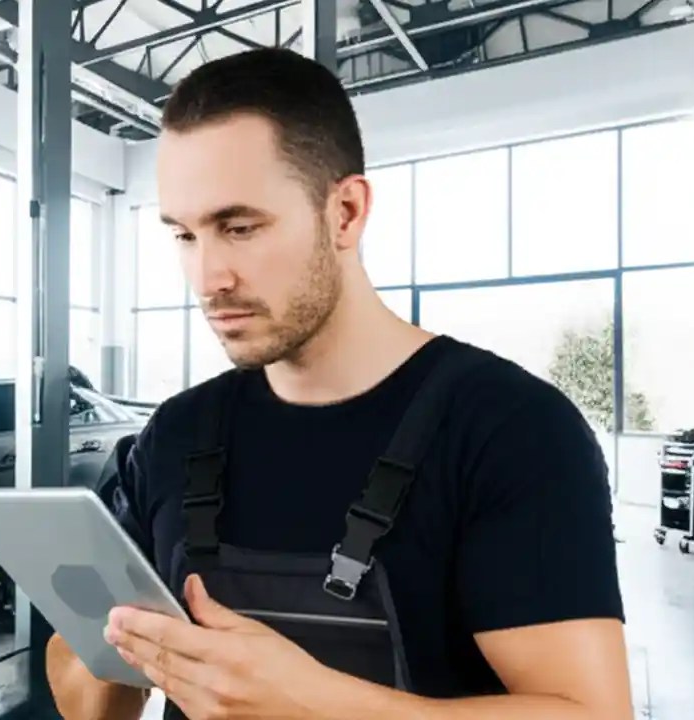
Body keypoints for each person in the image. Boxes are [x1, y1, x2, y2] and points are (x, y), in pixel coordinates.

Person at [45, 48, 632, 720]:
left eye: (239, 228)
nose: (209, 278)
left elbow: (592, 714)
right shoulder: (174, 435)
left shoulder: (510, 430)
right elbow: (87, 697)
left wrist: (312, 702)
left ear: (346, 212)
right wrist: (118, 646)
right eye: (185, 235)